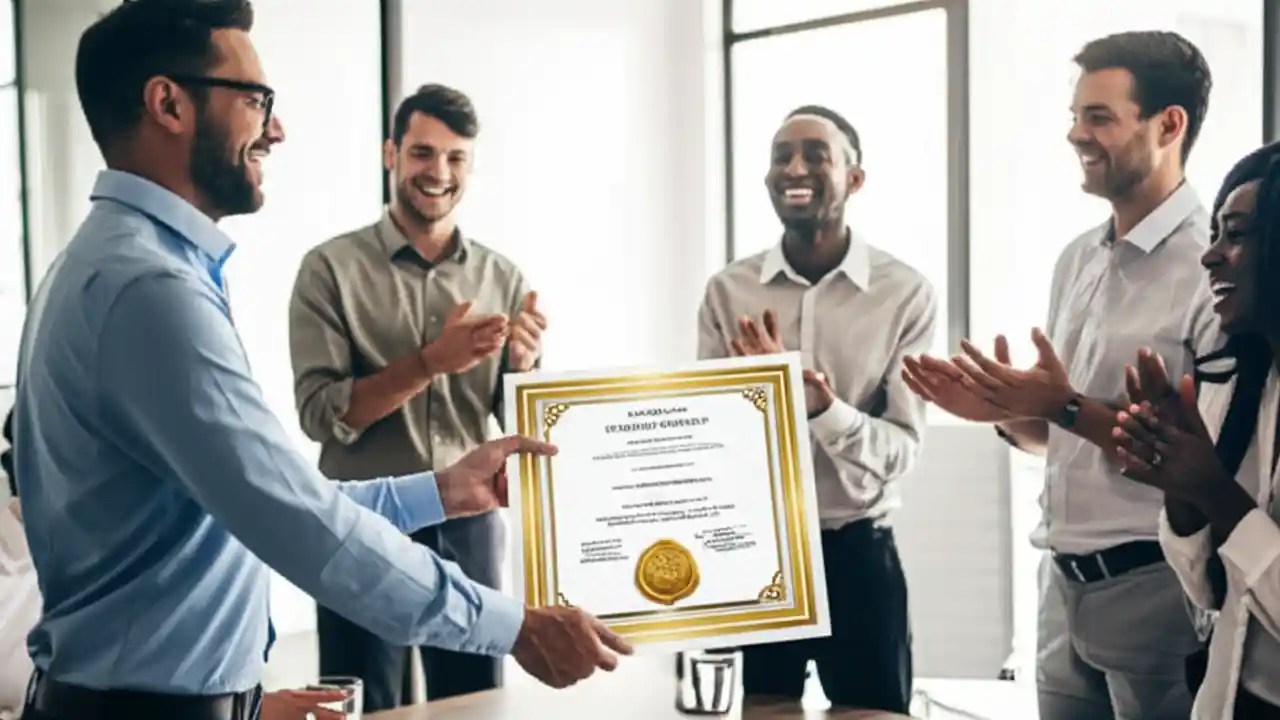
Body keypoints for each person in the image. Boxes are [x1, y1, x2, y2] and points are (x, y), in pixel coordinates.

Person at [11, 3, 628, 719]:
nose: (275, 128)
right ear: (168, 103)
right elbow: (299, 516)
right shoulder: (149, 290)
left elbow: (251, 504)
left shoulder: (110, 266)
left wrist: (444, 491)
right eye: (256, 99)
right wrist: (512, 625)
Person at [901, 31, 1217, 719]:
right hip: (1059, 590)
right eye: (1075, 116)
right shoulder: (1078, 259)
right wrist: (1001, 412)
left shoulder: (1212, 266)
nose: (1077, 133)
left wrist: (1065, 405)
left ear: (1169, 124)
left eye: (1099, 116)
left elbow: (1202, 456)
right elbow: (1064, 432)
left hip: (1157, 586)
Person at [288, 83, 545, 709]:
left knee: (475, 702)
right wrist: (431, 363)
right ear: (391, 154)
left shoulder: (502, 276)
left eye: (456, 158)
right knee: (364, 702)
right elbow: (323, 416)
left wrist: (524, 369)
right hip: (361, 522)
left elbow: (514, 422)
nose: (439, 172)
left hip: (471, 524)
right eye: (424, 153)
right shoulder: (329, 269)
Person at [696, 105, 937, 713]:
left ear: (854, 178)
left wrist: (819, 406)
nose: (794, 168)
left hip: (858, 557)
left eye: (815, 154)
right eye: (781, 156)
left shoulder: (904, 294)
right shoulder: (729, 292)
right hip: (757, 559)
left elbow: (901, 451)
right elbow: (704, 436)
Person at [1115, 141, 1280, 718]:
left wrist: (1213, 489)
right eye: (1214, 234)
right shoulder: (1246, 383)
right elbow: (1212, 593)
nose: (1210, 258)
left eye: (1235, 235)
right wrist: (1181, 490)